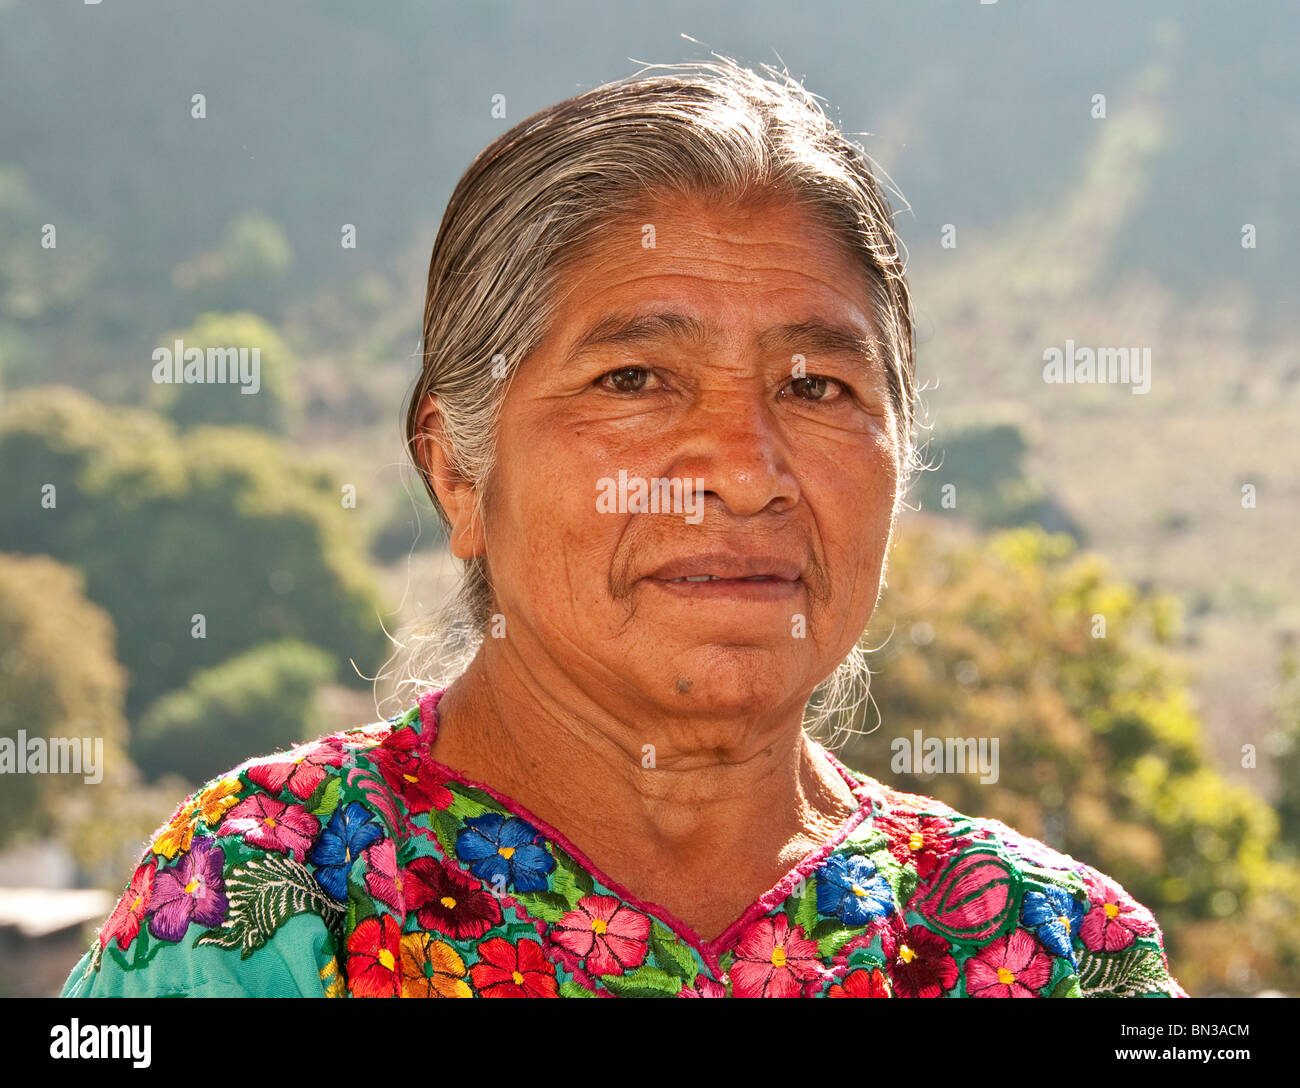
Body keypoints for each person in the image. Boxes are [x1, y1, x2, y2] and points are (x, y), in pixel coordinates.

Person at [62, 58, 1186, 998]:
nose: (746, 471)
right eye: (635, 376)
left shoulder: (1047, 949)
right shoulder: (266, 901)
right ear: (458, 469)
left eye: (816, 387)